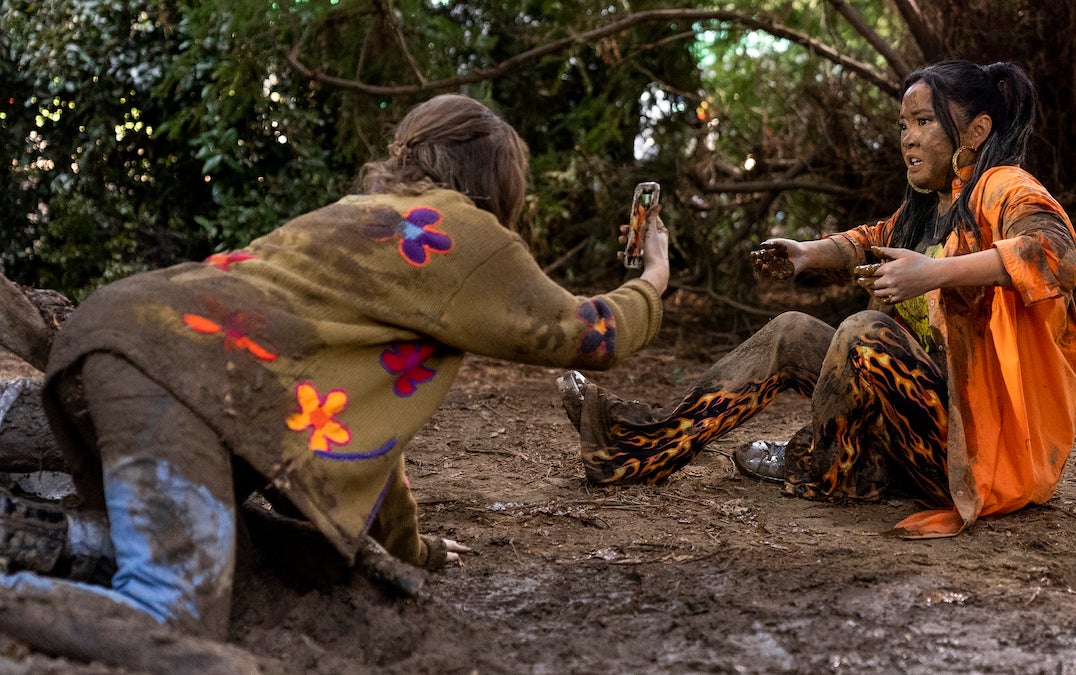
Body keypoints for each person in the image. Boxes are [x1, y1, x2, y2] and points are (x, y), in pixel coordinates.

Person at [0, 93, 670, 640]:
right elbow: (591, 335)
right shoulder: (462, 234)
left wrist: (414, 548)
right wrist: (655, 277)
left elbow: (373, 445)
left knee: (184, 538)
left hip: (123, 338)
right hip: (180, 379)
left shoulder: (360, 217)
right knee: (171, 614)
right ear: (498, 180)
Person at [559, 59, 1076, 539]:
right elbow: (872, 236)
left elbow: (1055, 252)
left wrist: (934, 273)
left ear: (976, 131)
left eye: (923, 122)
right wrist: (806, 254)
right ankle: (638, 450)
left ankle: (826, 466)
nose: (908, 138)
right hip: (914, 435)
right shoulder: (930, 204)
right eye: (903, 125)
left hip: (973, 454)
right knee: (791, 330)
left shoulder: (1003, 186)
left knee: (864, 334)